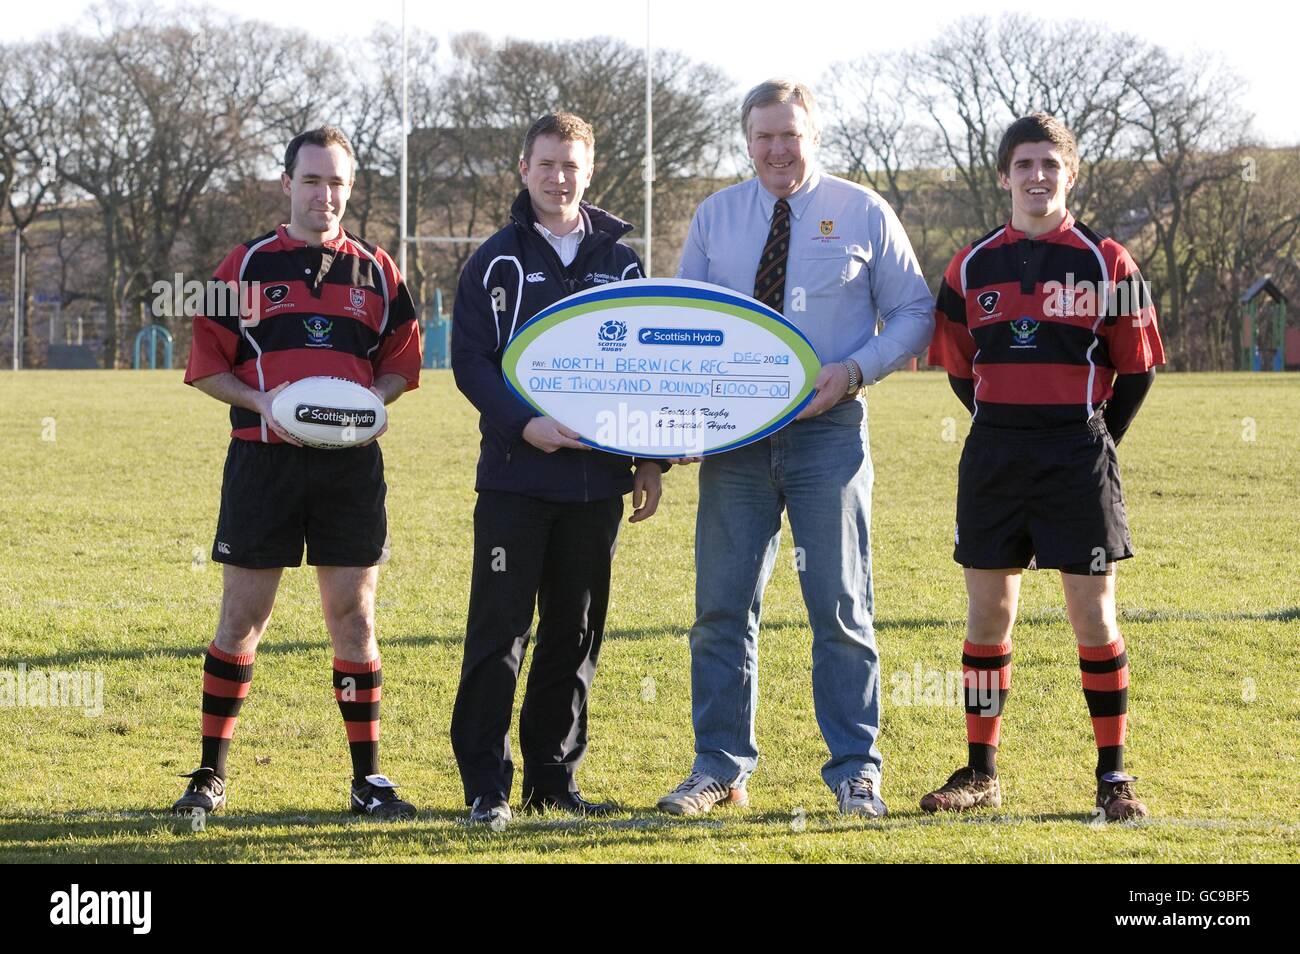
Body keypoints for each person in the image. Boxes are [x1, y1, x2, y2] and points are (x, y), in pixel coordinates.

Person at [656, 80, 933, 818]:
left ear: (814, 135)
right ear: (747, 141)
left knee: (840, 606)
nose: (778, 149)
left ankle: (855, 770)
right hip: (736, 444)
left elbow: (913, 310)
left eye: (791, 134)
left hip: (829, 435)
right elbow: (685, 327)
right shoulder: (716, 216)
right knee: (720, 609)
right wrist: (684, 421)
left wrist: (854, 371)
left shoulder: (863, 211)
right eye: (764, 137)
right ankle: (718, 768)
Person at [174, 125, 422, 820]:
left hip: (350, 468)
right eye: (312, 180)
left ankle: (367, 781)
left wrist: (374, 403)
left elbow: (402, 364)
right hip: (264, 462)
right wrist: (263, 402)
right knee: (242, 618)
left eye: (337, 181)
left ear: (351, 186)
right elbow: (206, 363)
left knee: (354, 618)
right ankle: (209, 774)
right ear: (288, 184)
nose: (325, 194)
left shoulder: (378, 270)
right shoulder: (244, 265)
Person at [924, 112, 1165, 821]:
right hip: (994, 453)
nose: (1037, 178)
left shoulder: (1108, 260)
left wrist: (1094, 436)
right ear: (1004, 175)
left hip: (1077, 453)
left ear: (1071, 175)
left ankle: (1113, 777)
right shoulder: (969, 265)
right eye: (1024, 165)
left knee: (1092, 616)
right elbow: (961, 368)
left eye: (1050, 166)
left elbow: (1139, 370)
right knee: (989, 613)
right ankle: (979, 773)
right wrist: (1002, 422)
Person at [449, 112, 667, 828]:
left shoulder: (623, 262)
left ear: (589, 170)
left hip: (596, 486)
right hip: (516, 480)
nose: (558, 177)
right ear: (523, 169)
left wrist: (649, 459)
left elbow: (647, 367)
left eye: (571, 165)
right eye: (546, 164)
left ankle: (553, 780)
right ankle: (487, 785)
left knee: (574, 634)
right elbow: (471, 362)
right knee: (499, 631)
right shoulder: (497, 260)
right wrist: (524, 424)